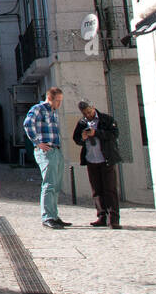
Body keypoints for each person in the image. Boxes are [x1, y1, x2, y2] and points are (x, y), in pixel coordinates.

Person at [23, 87, 70, 229]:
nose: (59, 104)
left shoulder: (54, 113)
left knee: (56, 185)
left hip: (55, 149)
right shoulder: (38, 108)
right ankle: (47, 217)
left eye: (61, 101)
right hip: (46, 151)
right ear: (50, 98)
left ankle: (54, 215)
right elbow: (27, 124)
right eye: (58, 100)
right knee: (49, 184)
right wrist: (37, 142)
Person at [73, 100, 122, 228]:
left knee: (110, 189)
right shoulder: (82, 123)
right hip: (91, 160)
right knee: (96, 190)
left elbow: (114, 134)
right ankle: (101, 216)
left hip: (106, 159)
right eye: (85, 113)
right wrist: (82, 138)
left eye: (89, 112)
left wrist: (96, 133)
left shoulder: (106, 119)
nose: (88, 115)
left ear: (93, 108)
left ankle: (114, 219)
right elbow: (76, 139)